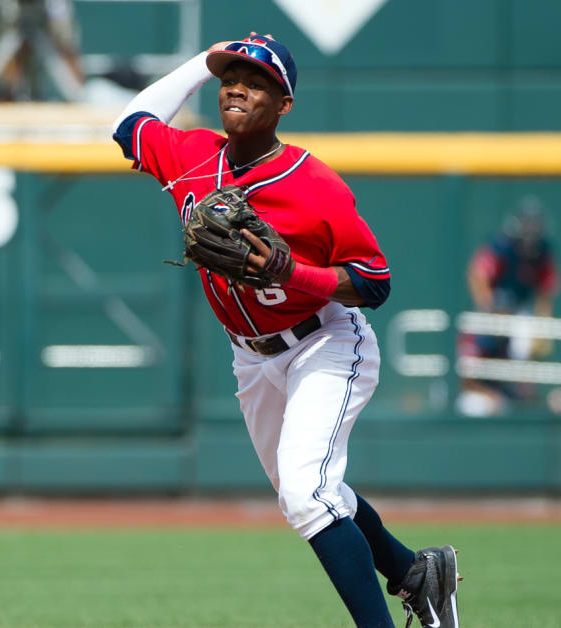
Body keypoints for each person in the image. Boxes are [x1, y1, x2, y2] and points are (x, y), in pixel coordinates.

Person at [111, 34, 459, 627]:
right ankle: (415, 575)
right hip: (251, 358)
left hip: (325, 340)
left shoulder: (313, 184)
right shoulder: (191, 155)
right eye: (230, 77)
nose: (237, 87)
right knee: (317, 496)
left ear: (284, 103)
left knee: (306, 494)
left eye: (256, 80)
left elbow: (374, 282)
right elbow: (128, 123)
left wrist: (289, 271)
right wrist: (203, 59)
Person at [456, 197, 558, 417]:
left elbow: (546, 289)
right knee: (475, 404)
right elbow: (478, 273)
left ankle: (523, 391)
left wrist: (543, 319)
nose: (531, 230)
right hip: (490, 313)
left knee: (525, 339)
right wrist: (489, 307)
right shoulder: (502, 245)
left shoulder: (542, 250)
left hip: (520, 311)